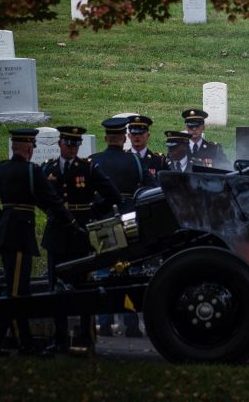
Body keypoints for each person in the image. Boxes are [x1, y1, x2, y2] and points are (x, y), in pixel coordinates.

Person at [0, 129, 82, 357]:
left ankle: (20, 341)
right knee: (15, 293)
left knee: (17, 290)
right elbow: (50, 200)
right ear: (29, 148)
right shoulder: (32, 171)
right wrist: (72, 225)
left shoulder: (2, 168)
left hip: (6, 232)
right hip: (18, 234)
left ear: (15, 147)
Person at [41, 126, 122, 354]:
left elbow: (112, 195)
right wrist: (50, 211)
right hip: (57, 234)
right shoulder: (49, 168)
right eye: (68, 144)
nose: (72, 148)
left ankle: (86, 337)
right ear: (60, 144)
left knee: (84, 287)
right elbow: (39, 195)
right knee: (55, 288)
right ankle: (60, 338)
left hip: (80, 234)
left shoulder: (88, 168)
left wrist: (92, 213)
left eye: (75, 144)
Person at [90, 117, 156, 338]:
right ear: (123, 138)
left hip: (103, 220)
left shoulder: (94, 161)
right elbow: (151, 188)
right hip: (128, 220)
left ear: (106, 138)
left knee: (103, 272)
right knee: (130, 272)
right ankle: (131, 324)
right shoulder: (136, 162)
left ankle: (105, 322)